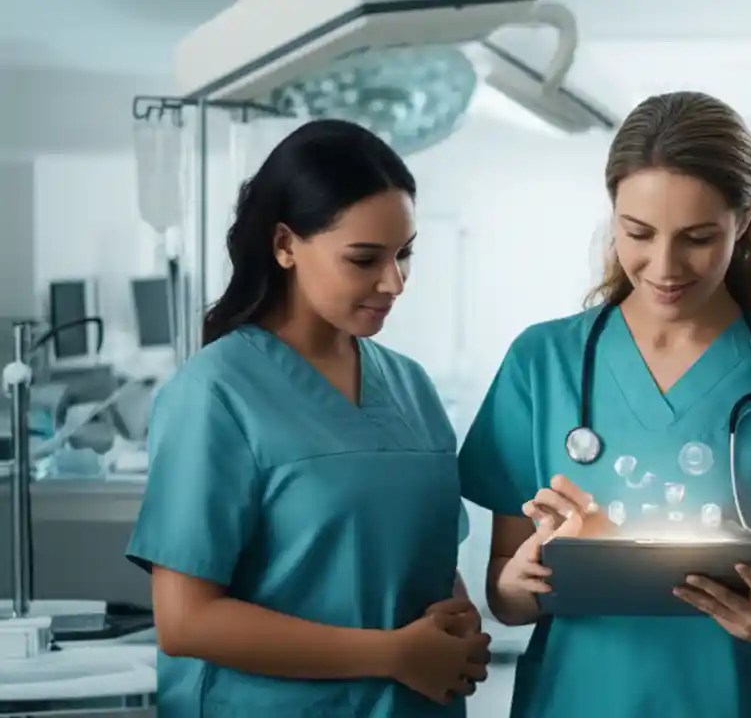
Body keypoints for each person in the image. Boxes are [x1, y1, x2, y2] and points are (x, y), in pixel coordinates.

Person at [458, 90, 751, 718]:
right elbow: (505, 595)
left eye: (698, 238)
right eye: (637, 233)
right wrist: (519, 581)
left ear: (745, 221)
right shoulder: (543, 363)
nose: (664, 266)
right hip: (574, 700)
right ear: (612, 214)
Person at [125, 119, 491, 717]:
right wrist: (392, 654)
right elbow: (187, 622)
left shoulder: (411, 388)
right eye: (364, 258)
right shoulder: (215, 393)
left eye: (404, 255)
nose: (394, 282)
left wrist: (455, 617)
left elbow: (424, 560)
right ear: (285, 245)